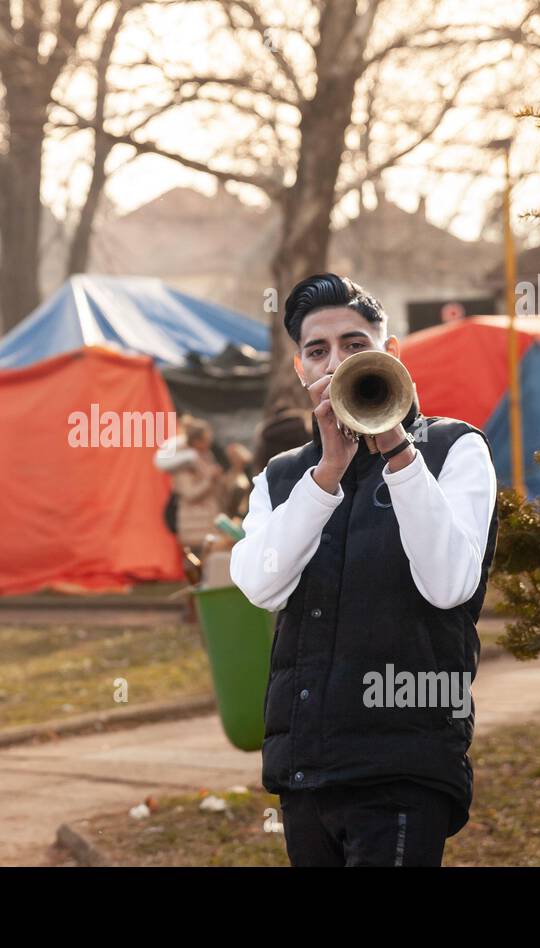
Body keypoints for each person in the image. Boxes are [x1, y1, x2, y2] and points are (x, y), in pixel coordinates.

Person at [229, 273, 498, 866]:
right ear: (300, 368)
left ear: (391, 354)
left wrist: (395, 448)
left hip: (405, 765)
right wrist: (326, 472)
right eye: (318, 350)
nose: (336, 362)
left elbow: (450, 582)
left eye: (355, 345)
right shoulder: (283, 475)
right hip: (305, 769)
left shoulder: (454, 450)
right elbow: (260, 585)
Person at [168, 418, 225, 554]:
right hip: (193, 526)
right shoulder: (182, 463)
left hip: (208, 522)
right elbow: (189, 493)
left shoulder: (206, 458)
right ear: (195, 441)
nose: (209, 442)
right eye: (205, 439)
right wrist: (209, 479)